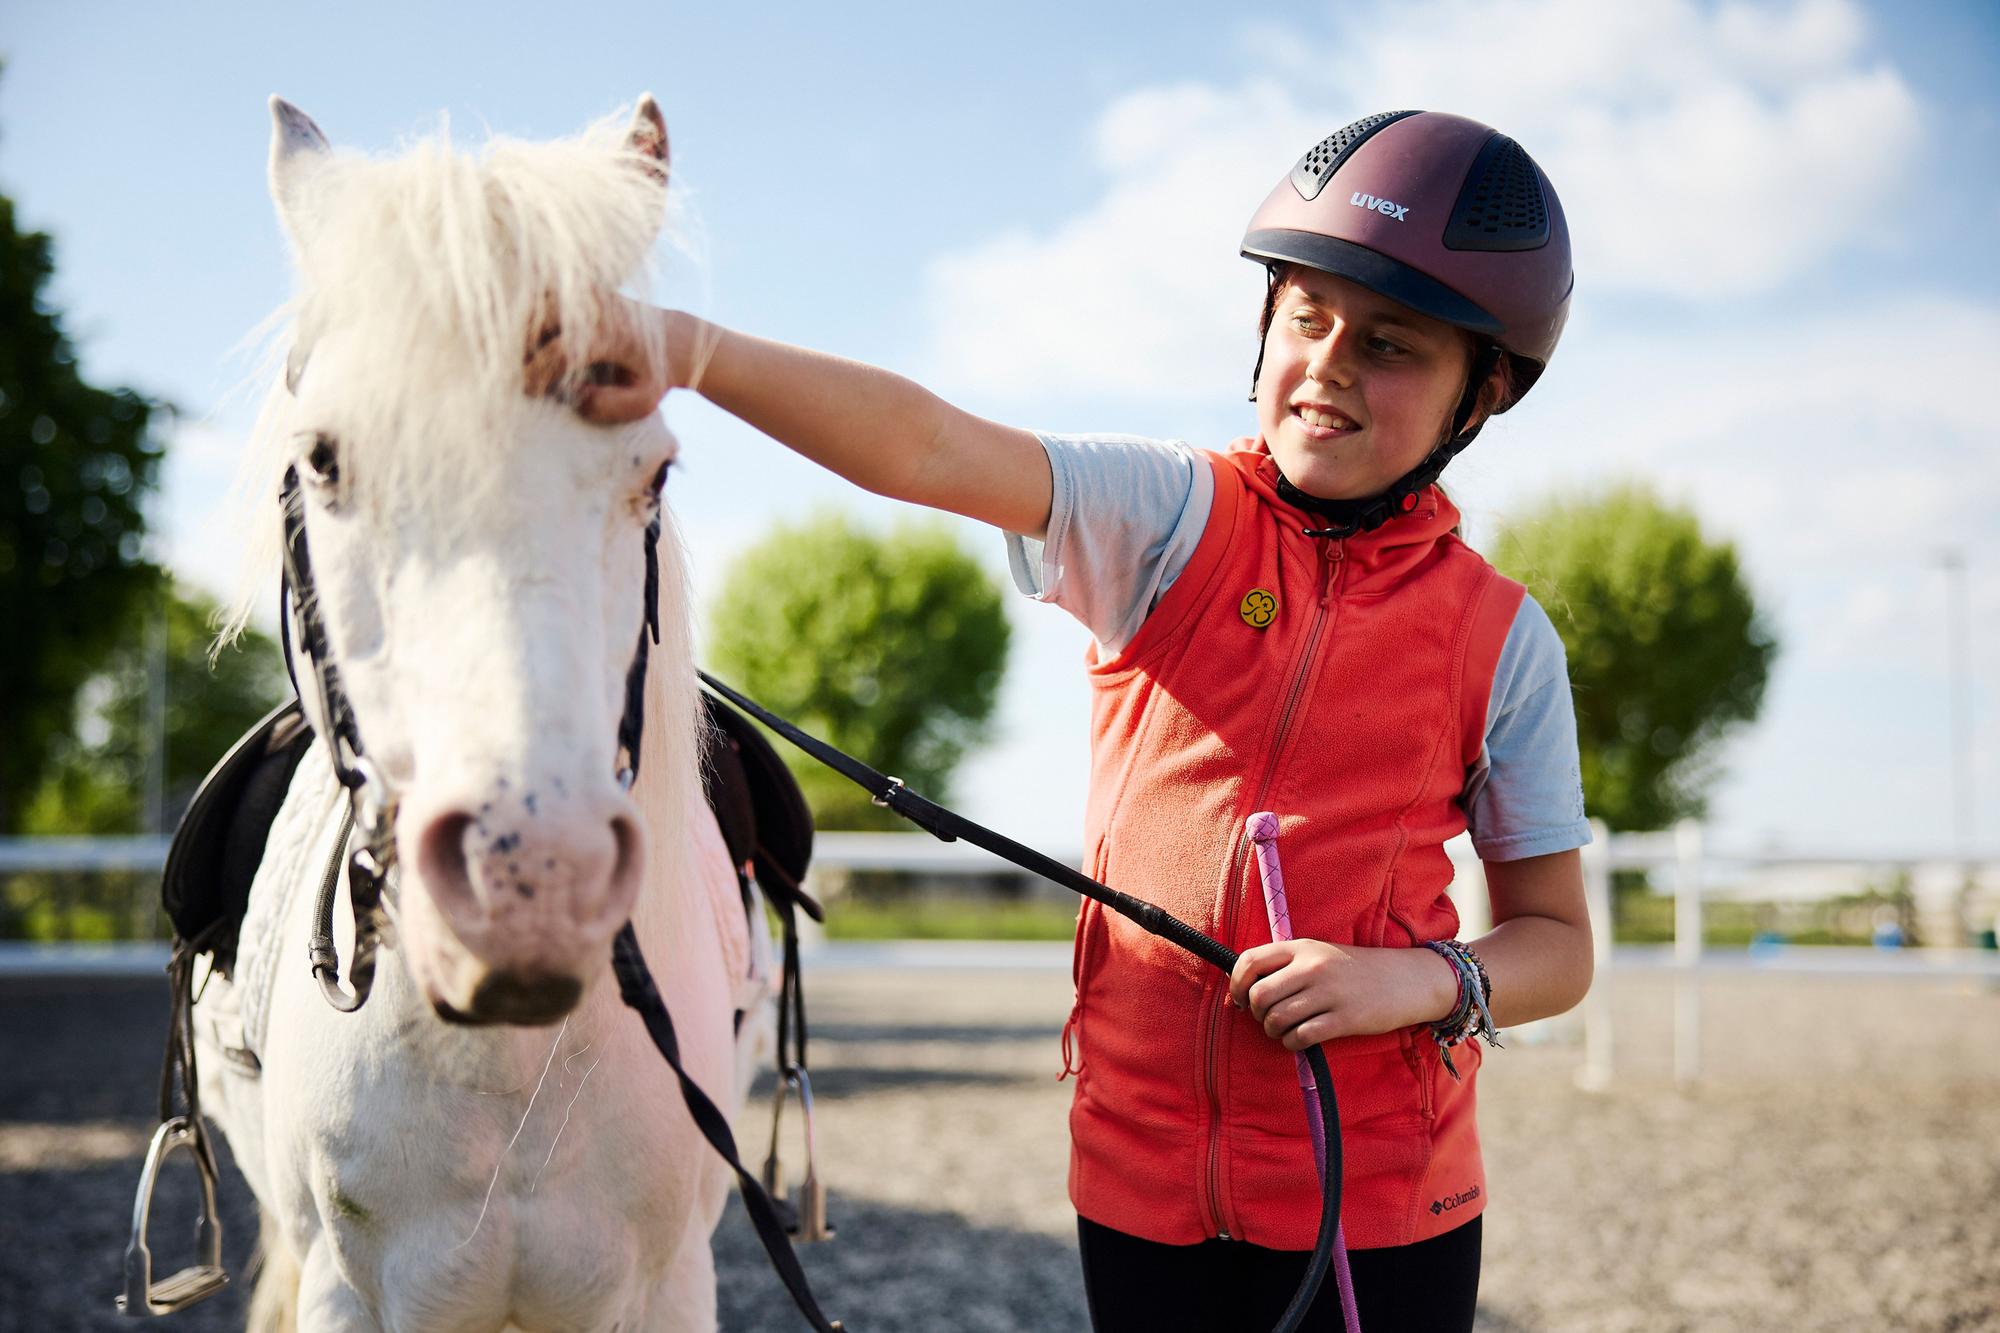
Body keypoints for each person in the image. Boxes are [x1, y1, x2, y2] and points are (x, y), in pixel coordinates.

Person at [535, 108, 1594, 1333]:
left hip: (1381, 1197)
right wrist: (684, 349)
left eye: (1393, 344)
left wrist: (1409, 982)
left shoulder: (1501, 639)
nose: (1329, 365)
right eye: (1305, 318)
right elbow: (928, 445)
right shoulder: (1167, 518)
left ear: (1487, 389)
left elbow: (1555, 943)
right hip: (1137, 1178)